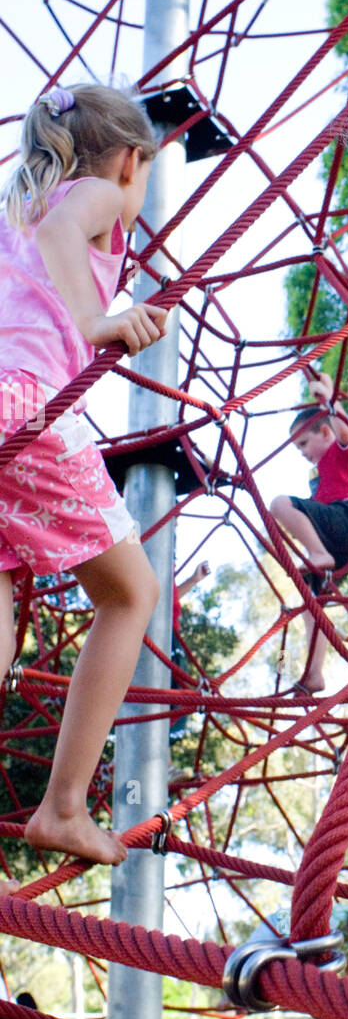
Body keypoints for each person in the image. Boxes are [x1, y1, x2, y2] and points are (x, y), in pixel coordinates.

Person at [0, 83, 167, 870]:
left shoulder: (17, 211)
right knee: (130, 593)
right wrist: (94, 320)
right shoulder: (91, 193)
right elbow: (75, 230)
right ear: (131, 162)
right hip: (25, 409)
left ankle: (63, 806)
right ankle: (64, 806)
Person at [270, 371, 348, 691]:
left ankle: (318, 553)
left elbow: (345, 432)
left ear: (324, 432)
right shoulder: (319, 485)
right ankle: (314, 674)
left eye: (303, 443)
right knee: (312, 606)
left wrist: (329, 400)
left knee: (279, 503)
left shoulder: (343, 452)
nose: (302, 452)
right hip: (344, 544)